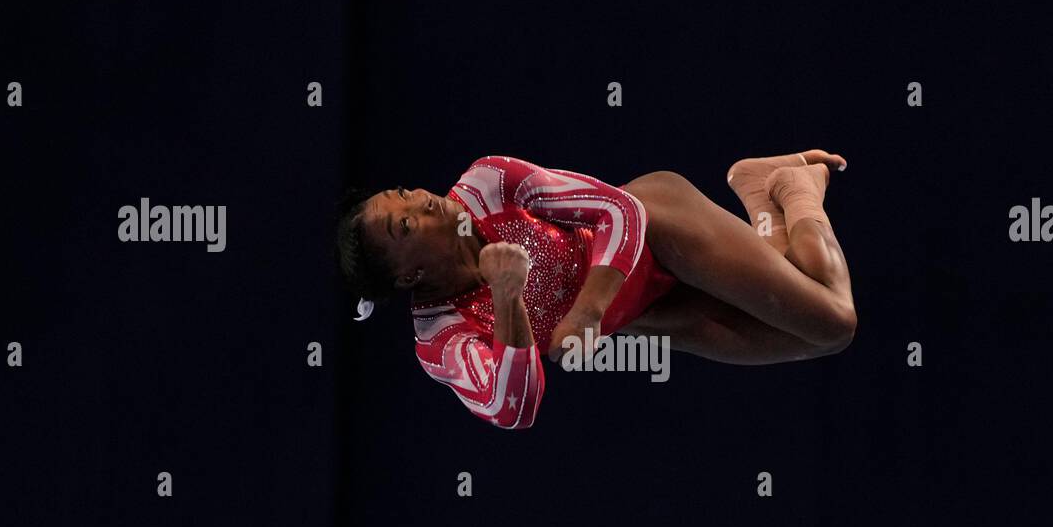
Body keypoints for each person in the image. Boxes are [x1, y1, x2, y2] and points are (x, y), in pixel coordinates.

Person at [335, 150, 856, 429]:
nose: (421, 202)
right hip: (650, 311)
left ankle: (795, 188)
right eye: (404, 227)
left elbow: (617, 209)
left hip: (661, 232)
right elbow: (512, 407)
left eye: (404, 195)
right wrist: (506, 295)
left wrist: (587, 312)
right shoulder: (439, 337)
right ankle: (761, 186)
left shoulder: (487, 183)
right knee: (815, 338)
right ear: (407, 278)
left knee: (832, 319)